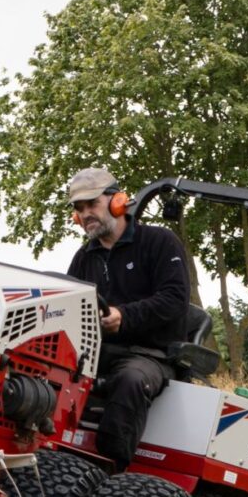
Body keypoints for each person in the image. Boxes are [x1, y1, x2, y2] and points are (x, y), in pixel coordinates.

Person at [63, 167, 192, 469]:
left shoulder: (160, 242)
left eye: (92, 204)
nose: (85, 214)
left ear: (117, 202)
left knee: (130, 380)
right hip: (95, 353)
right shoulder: (84, 257)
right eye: (79, 208)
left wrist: (124, 316)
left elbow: (175, 299)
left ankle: (109, 468)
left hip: (150, 356)